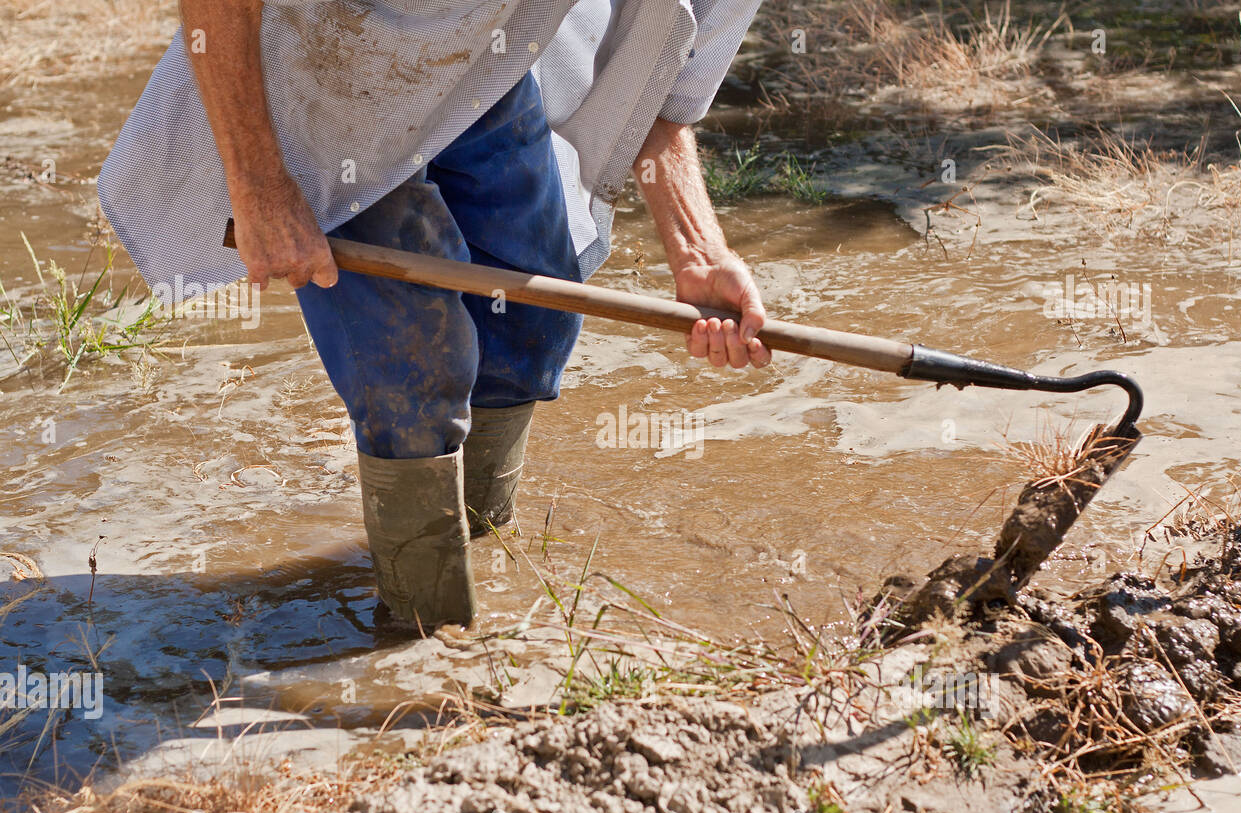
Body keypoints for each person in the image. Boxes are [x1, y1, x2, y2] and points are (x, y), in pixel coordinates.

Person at [99, 0, 771, 630]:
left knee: (533, 316)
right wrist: (260, 183)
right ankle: (424, 642)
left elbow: (664, 76)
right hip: (332, 55)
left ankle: (479, 558)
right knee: (415, 370)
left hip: (489, 53)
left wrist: (698, 249)